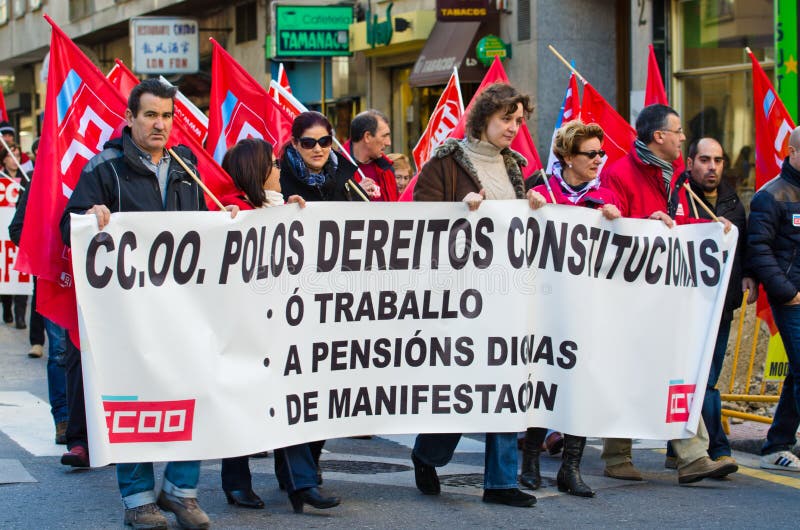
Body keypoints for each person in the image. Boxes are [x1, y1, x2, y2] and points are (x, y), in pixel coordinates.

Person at [60, 78, 237, 530]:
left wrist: (244, 216)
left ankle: (181, 492)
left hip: (184, 310)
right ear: (130, 119)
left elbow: (214, 214)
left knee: (192, 392)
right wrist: (88, 219)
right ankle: (138, 500)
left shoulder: (187, 165)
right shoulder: (104, 169)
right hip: (129, 316)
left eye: (168, 116)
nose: (161, 124)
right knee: (133, 402)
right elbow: (69, 228)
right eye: (151, 115)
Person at [411, 82, 537, 508]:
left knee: (503, 384)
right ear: (484, 118)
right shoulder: (446, 163)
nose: (514, 129)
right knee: (462, 386)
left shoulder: (516, 167)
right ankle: (427, 454)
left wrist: (534, 205)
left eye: (519, 121)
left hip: (507, 293)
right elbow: (416, 220)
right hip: (460, 297)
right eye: (507, 119)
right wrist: (456, 209)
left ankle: (500, 482)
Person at [602, 103, 738, 485]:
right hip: (629, 297)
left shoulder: (674, 175)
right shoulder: (620, 174)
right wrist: (645, 224)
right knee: (626, 374)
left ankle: (693, 455)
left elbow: (674, 224)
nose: (682, 138)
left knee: (680, 371)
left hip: (666, 296)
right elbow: (609, 225)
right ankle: (616, 454)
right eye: (677, 132)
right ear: (659, 136)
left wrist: (709, 229)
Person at [522, 120, 622, 498]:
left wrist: (622, 219)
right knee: (542, 382)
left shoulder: (607, 194)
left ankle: (571, 469)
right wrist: (529, 206)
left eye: (601, 152)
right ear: (566, 157)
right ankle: (530, 461)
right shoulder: (540, 187)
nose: (599, 159)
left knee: (581, 384)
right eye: (590, 153)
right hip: (544, 305)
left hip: (590, 308)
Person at [277, 110, 362, 513]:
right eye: (308, 142)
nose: (317, 149)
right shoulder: (279, 176)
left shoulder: (344, 179)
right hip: (290, 299)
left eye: (324, 142)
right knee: (298, 388)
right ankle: (302, 480)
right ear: (295, 144)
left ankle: (304, 466)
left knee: (325, 389)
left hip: (333, 298)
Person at [216, 138, 306, 511]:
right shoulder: (233, 212)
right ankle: (236, 482)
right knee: (241, 404)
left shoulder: (278, 208)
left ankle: (303, 483)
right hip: (243, 329)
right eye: (273, 165)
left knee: (292, 402)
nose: (280, 171)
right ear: (257, 172)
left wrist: (297, 215)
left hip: (281, 327)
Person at [663, 137, 755, 470]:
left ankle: (684, 449)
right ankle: (715, 449)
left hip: (720, 305)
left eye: (717, 160)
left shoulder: (731, 199)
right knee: (691, 377)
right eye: (704, 159)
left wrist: (749, 275)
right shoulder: (677, 194)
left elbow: (743, 245)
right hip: (684, 305)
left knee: (709, 378)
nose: (711, 167)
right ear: (690, 163)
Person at [7, 146, 68, 445]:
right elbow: (17, 228)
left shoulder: (96, 173)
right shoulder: (39, 182)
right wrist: (47, 255)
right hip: (56, 281)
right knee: (58, 351)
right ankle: (64, 420)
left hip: (95, 284)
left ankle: (88, 422)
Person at [748, 125, 800, 472]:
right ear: (792, 151)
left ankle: (776, 445)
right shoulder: (771, 195)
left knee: (796, 372)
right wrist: (788, 293)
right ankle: (777, 445)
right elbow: (759, 248)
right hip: (793, 302)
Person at [1, 143, 28, 330]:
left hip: (21, 233)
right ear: (4, 159)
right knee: (6, 273)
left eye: (18, 156)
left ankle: (20, 316)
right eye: (12, 155)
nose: (15, 159)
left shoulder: (27, 181)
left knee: (22, 276)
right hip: (3, 235)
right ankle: (6, 307)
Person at [343, 109, 397, 201]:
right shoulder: (336, 168)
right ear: (367, 136)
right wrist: (354, 194)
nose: (389, 143)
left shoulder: (387, 169)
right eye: (384, 136)